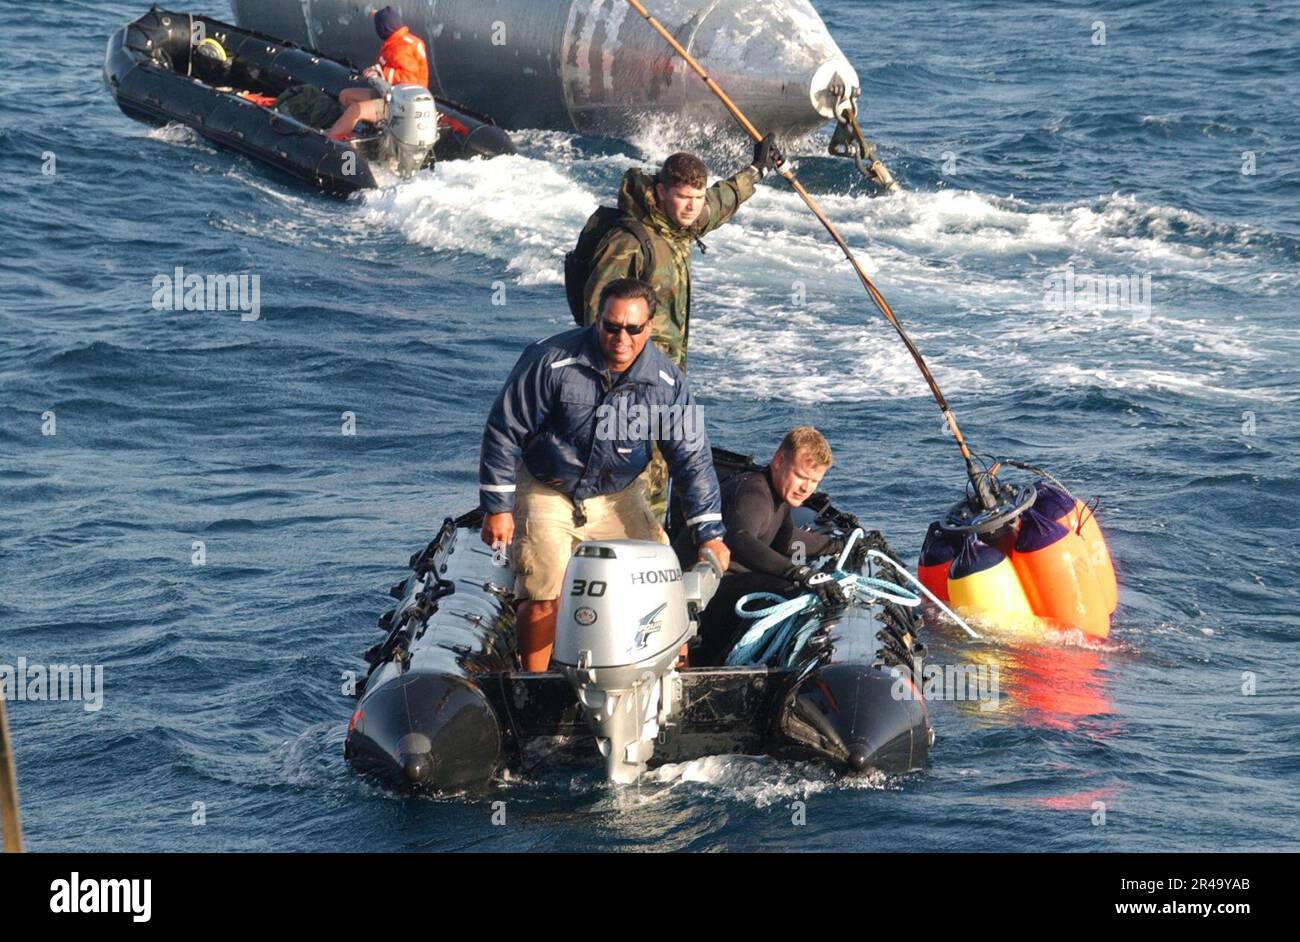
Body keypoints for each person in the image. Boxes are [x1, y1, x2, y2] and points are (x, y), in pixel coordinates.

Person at [479, 278, 732, 671]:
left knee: (662, 583)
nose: (621, 338)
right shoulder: (551, 359)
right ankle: (536, 690)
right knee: (546, 588)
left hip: (618, 493)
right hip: (549, 487)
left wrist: (710, 534)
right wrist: (498, 507)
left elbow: (692, 459)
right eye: (611, 326)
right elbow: (504, 428)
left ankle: (671, 685)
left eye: (633, 329)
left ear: (649, 328)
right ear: (598, 321)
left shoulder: (667, 383)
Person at [673, 426, 849, 665]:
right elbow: (740, 538)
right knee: (791, 590)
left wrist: (836, 544)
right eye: (801, 476)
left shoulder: (780, 497)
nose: (806, 488)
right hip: (702, 596)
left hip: (726, 589)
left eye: (814, 481)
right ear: (778, 461)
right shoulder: (753, 492)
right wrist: (800, 573)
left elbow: (785, 541)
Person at [326, 6, 430, 141]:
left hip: (402, 106)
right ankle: (367, 131)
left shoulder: (401, 48)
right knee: (346, 96)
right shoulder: (401, 40)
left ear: (384, 29)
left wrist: (381, 73)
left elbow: (410, 81)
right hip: (390, 93)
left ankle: (332, 140)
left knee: (356, 109)